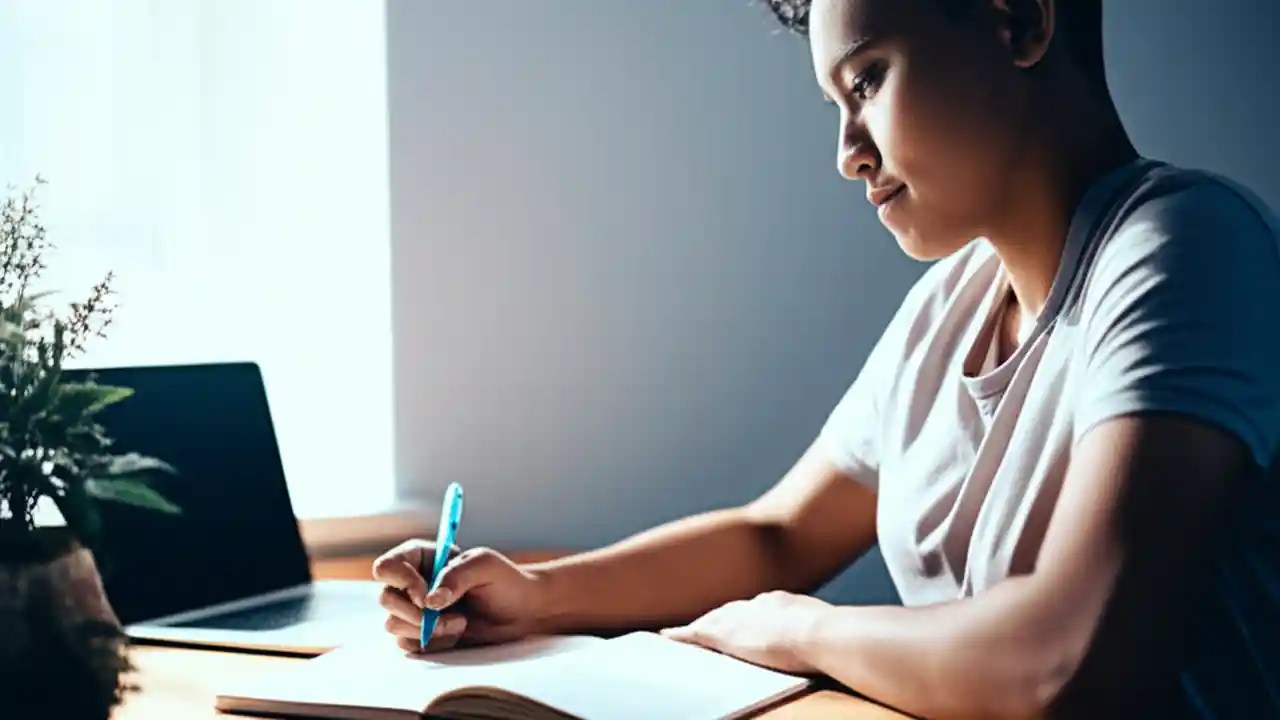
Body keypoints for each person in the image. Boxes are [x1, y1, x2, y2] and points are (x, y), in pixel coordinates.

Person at [373, 1, 1280, 716]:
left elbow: (1070, 660)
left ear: (1021, 21)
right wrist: (536, 595)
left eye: (870, 79)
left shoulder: (1184, 247)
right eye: (837, 104)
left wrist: (805, 631)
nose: (849, 154)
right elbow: (782, 534)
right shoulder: (952, 300)